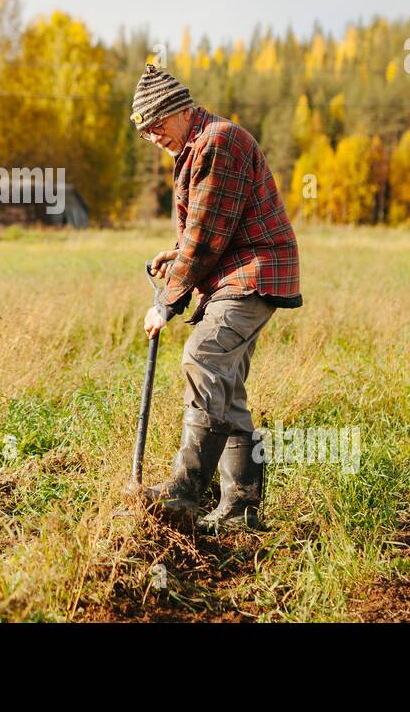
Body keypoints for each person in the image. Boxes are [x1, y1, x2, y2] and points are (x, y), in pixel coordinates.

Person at [131, 63, 302, 530]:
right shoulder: (193, 148)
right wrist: (176, 256)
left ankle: (185, 490)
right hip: (235, 273)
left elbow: (207, 237)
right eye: (145, 133)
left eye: (156, 126)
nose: (153, 137)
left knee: (202, 357)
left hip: (252, 274)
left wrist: (167, 302)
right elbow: (198, 235)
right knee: (223, 385)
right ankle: (242, 510)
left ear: (179, 110)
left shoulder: (218, 143)